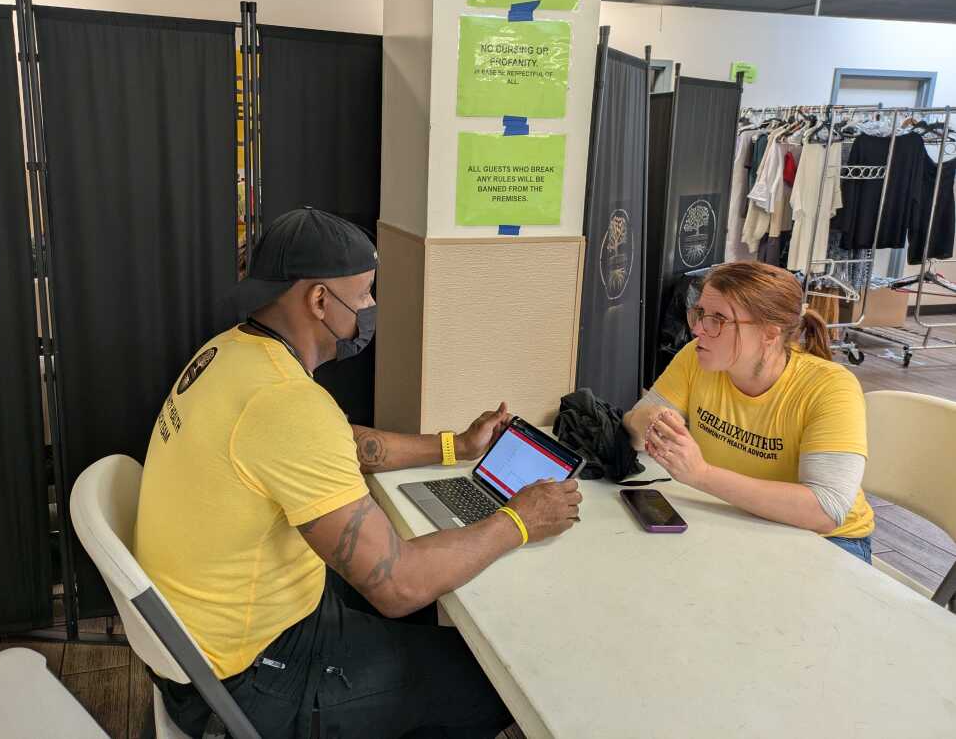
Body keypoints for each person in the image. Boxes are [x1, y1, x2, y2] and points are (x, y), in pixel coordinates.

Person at [133, 208, 582, 739]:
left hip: (205, 651)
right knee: (495, 679)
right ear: (320, 301)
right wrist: (520, 519)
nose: (370, 308)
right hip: (247, 680)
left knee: (426, 621)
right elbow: (398, 585)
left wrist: (455, 446)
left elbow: (343, 445)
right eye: (366, 292)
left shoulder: (228, 352)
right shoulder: (287, 404)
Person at [623, 261, 874, 563]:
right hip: (735, 515)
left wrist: (701, 475)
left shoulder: (831, 388)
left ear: (769, 334)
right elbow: (633, 428)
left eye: (718, 319)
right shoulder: (696, 358)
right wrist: (649, 421)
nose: (696, 328)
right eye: (700, 312)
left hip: (827, 541)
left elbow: (826, 510)